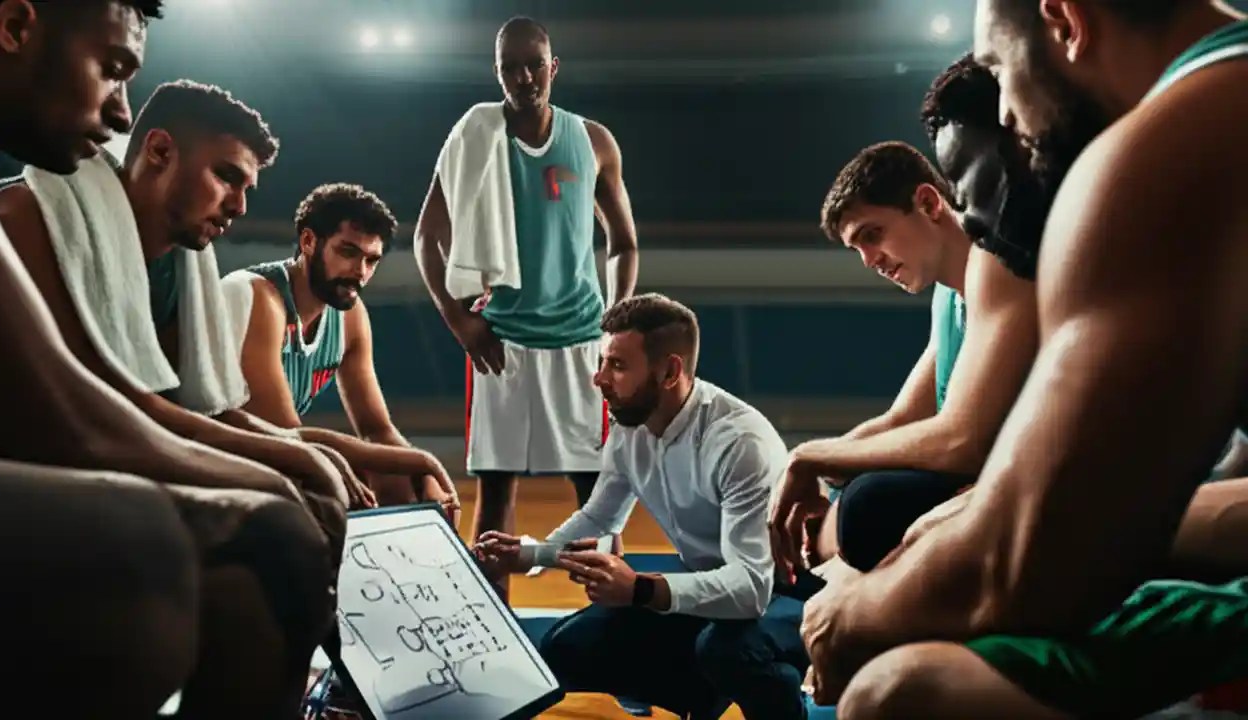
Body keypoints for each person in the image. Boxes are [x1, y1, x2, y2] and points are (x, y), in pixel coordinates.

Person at [801, 2, 1248, 718]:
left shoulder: (1174, 142)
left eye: (1003, 76)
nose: (1009, 115)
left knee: (903, 693)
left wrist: (850, 618)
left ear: (1067, 20)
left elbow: (1019, 564)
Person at [0, 3, 336, 718]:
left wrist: (299, 462)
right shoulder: (26, 211)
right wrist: (272, 476)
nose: (118, 113)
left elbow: (173, 407)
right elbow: (69, 413)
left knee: (245, 562)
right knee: (146, 546)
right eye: (110, 70)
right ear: (15, 26)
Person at [0, 79, 354, 537]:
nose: (239, 206)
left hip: (93, 450)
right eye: (226, 176)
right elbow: (101, 400)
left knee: (304, 490)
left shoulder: (180, 263)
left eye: (247, 188)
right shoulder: (30, 214)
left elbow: (192, 404)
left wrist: (298, 451)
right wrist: (280, 463)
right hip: (19, 460)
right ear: (161, 151)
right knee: (277, 521)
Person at [772, 57, 1058, 577]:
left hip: (1009, 484)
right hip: (971, 482)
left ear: (929, 202)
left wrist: (815, 459)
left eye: (872, 236)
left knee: (867, 507)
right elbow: (903, 419)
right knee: (852, 502)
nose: (870, 261)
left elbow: (958, 440)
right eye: (856, 249)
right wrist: (808, 469)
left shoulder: (1002, 265)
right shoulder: (948, 300)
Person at [473, 294, 811, 720]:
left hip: (790, 592)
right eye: (601, 363)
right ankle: (698, 695)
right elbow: (600, 517)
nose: (598, 379)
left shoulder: (739, 443)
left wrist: (640, 590)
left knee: (729, 651)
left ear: (669, 371)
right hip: (712, 582)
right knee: (567, 647)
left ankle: (780, 698)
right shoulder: (630, 423)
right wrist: (529, 555)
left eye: (616, 365)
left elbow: (750, 589)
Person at [414, 15, 640, 595]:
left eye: (533, 64)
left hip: (580, 340)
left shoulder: (592, 141)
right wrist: (460, 322)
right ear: (497, 73)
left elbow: (624, 242)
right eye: (509, 67)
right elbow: (425, 238)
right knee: (495, 496)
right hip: (502, 344)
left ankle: (614, 623)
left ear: (553, 66)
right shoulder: (475, 138)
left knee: (597, 494)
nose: (523, 77)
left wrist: (616, 319)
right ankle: (498, 639)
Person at [224, 181, 459, 517]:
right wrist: (423, 460)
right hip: (205, 458)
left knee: (402, 481)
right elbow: (286, 436)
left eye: (371, 260)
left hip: (270, 457)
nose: (360, 272)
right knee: (336, 478)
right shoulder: (257, 296)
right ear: (308, 241)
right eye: (348, 252)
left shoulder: (349, 316)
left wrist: (420, 476)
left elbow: (376, 429)